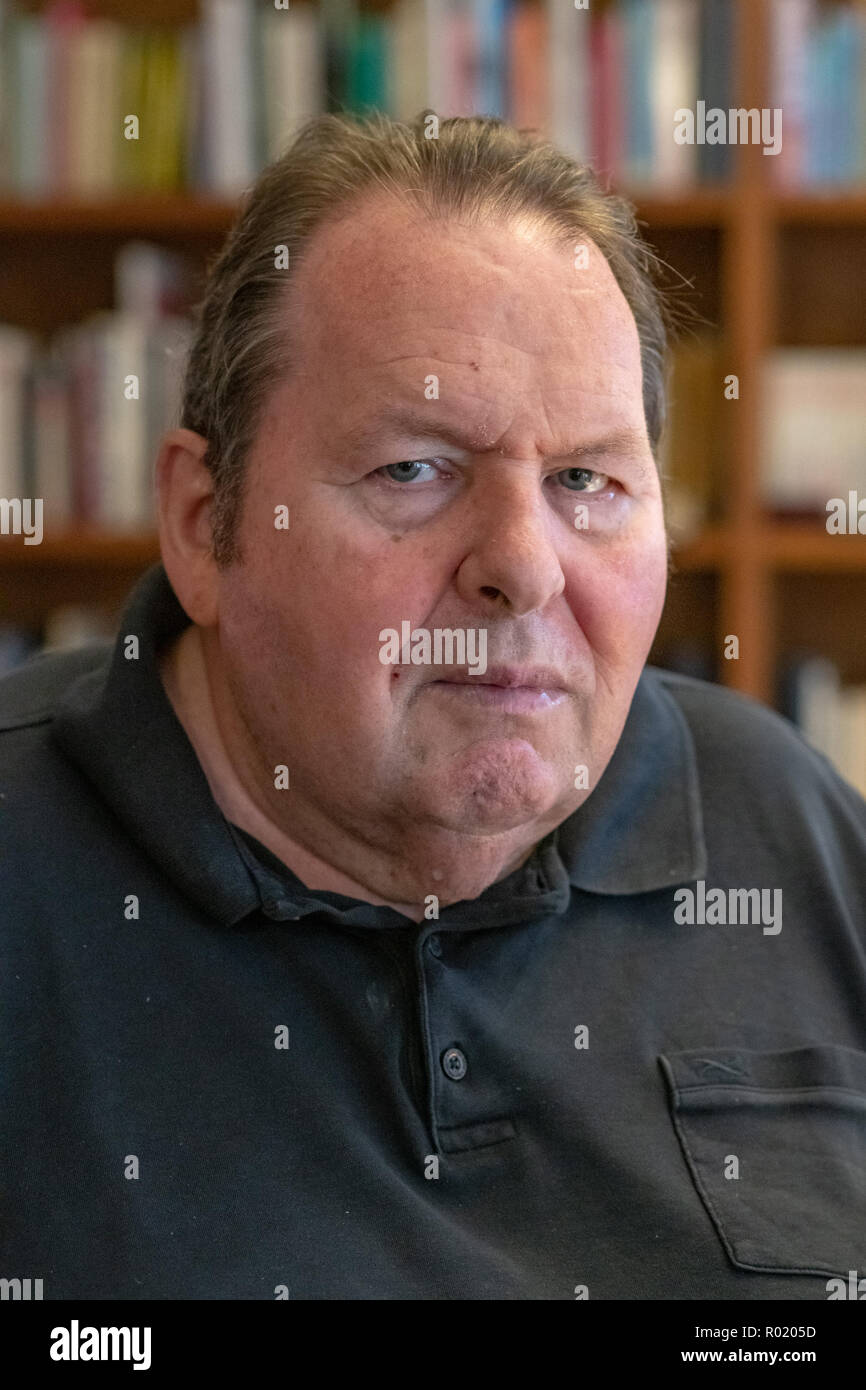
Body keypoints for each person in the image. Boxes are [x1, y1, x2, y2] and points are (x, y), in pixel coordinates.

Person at [2, 113, 865, 1301]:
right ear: (209, 525)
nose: (524, 564)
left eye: (584, 480)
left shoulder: (788, 823)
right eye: (413, 469)